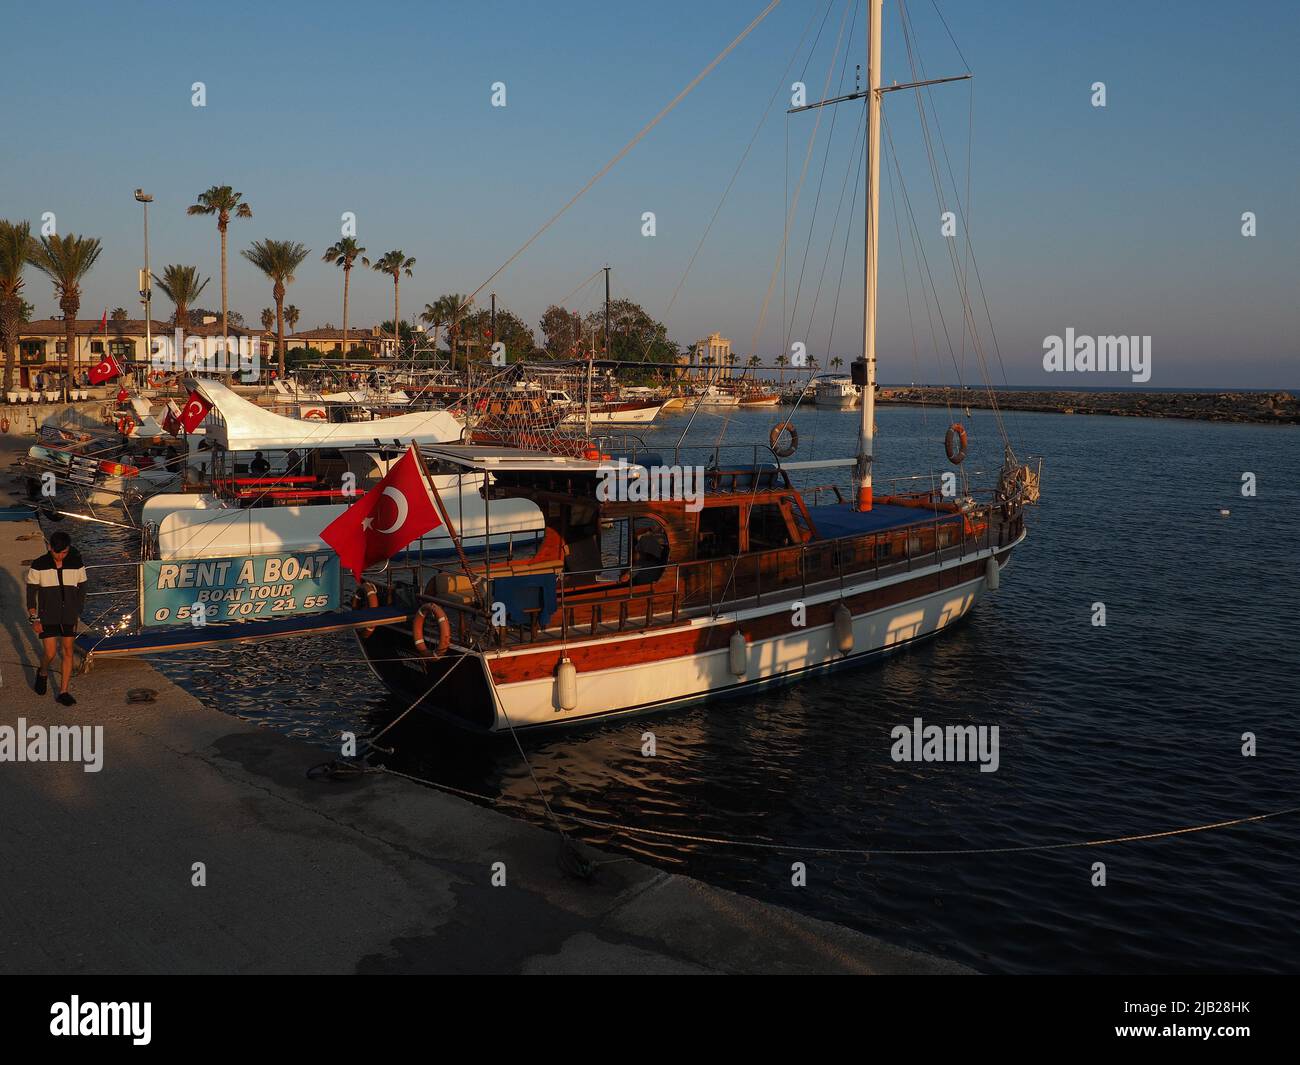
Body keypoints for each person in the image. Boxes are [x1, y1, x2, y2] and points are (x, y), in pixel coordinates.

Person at [26, 530, 88, 706]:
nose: (61, 556)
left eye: (64, 552)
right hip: (47, 615)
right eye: (57, 552)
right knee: (51, 653)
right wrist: (34, 618)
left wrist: (77, 609)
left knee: (68, 651)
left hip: (69, 614)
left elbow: (82, 588)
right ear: (49, 547)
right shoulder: (38, 564)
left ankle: (64, 691)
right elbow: (31, 593)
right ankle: (43, 672)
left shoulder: (76, 563)